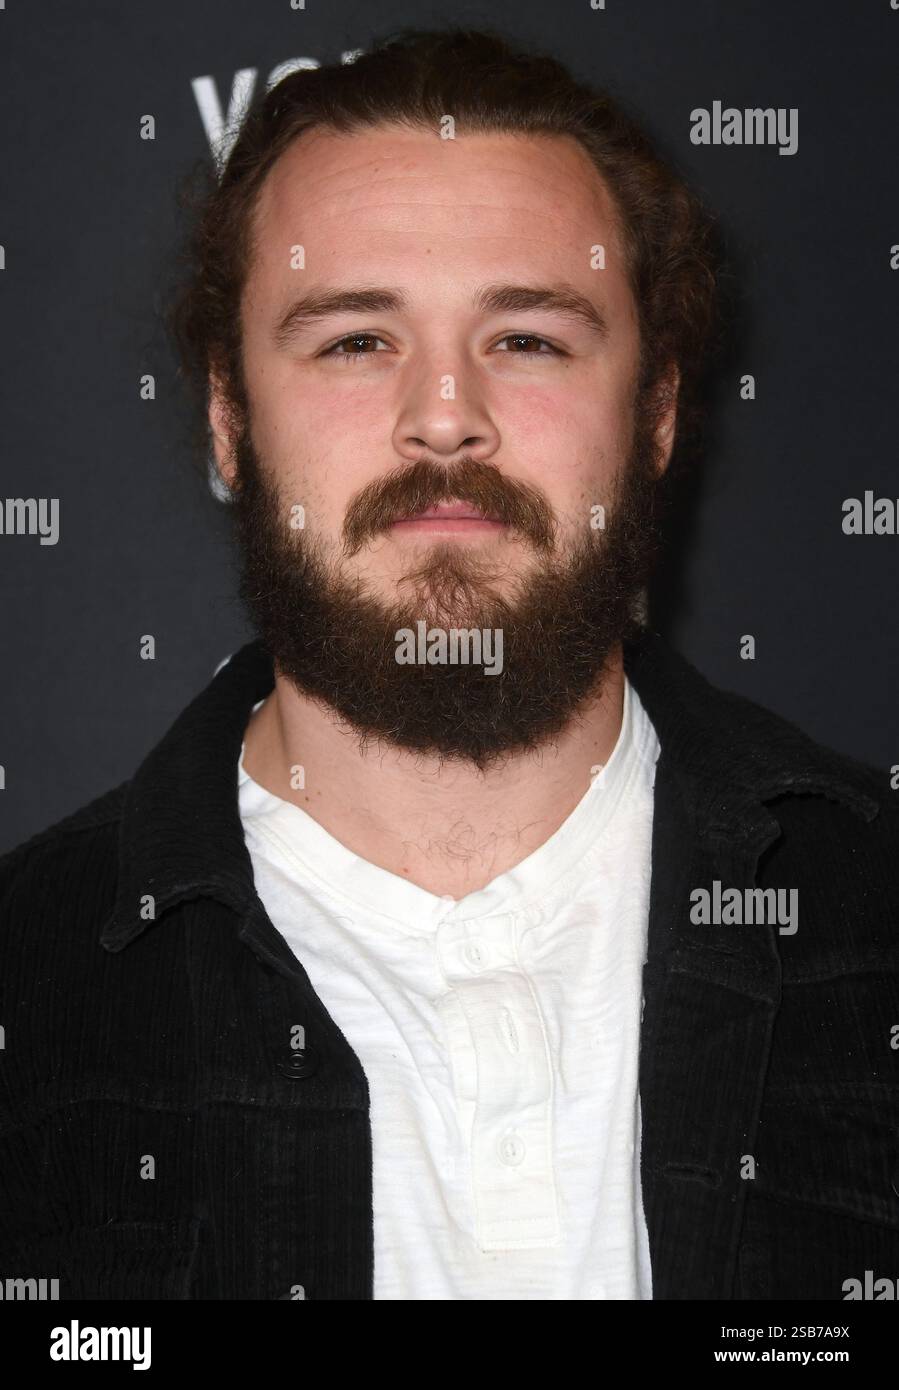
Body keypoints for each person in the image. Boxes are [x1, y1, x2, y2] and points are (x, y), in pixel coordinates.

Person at [1, 27, 896, 1302]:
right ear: (226, 417)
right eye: (355, 339)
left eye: (526, 338)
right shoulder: (28, 994)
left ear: (652, 414)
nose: (441, 415)